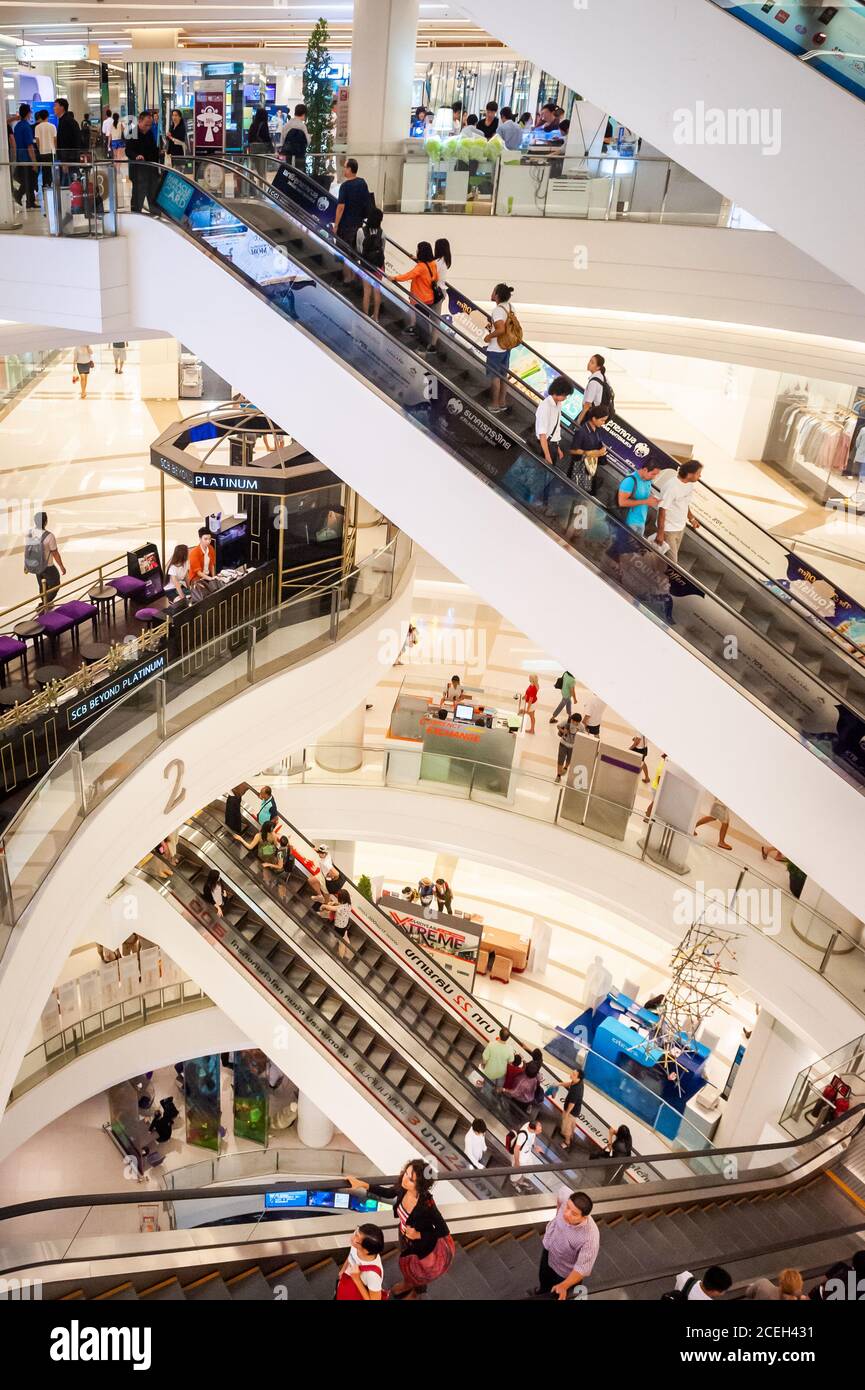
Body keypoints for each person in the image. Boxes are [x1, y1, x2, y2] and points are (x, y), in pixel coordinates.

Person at [349, 1159, 453, 1299]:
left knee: (418, 1270)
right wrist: (362, 1184)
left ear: (420, 1185)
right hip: (404, 1236)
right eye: (406, 1173)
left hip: (421, 1245)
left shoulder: (426, 1204)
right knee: (407, 1265)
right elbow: (389, 1193)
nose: (405, 1179)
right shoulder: (403, 1189)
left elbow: (443, 1230)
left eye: (411, 1179)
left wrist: (418, 1234)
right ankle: (408, 1283)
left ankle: (416, 1292)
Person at [534, 1189, 599, 1299]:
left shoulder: (590, 1239)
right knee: (543, 1277)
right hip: (550, 1249)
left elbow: (582, 1269)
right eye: (568, 1207)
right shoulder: (566, 1195)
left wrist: (564, 1285)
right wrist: (557, 1214)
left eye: (574, 1214)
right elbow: (561, 1194)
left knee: (555, 1295)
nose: (566, 1214)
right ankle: (541, 1292)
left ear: (584, 1217)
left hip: (563, 1272)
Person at [391, 240, 439, 352]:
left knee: (422, 324)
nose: (416, 251)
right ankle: (424, 343)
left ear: (421, 252)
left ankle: (422, 346)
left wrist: (395, 278)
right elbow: (434, 277)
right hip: (429, 298)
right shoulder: (432, 264)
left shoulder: (421, 267)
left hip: (420, 299)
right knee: (425, 321)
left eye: (418, 249)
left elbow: (408, 275)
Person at [655, 460, 702, 562]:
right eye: (698, 473)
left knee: (664, 560)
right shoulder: (672, 487)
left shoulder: (689, 485)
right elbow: (662, 509)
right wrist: (660, 533)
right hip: (668, 530)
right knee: (672, 562)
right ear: (690, 474)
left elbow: (684, 503)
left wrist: (692, 518)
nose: (700, 476)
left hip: (680, 528)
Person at [333, 158, 371, 273]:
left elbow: (341, 207)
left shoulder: (345, 186)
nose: (343, 169)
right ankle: (353, 279)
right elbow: (367, 202)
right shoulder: (362, 183)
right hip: (358, 224)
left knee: (344, 254)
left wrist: (336, 225)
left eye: (345, 167)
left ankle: (347, 280)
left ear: (349, 169)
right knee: (354, 254)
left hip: (345, 226)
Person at [24, 510, 66, 608]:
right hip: (48, 566)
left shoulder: (30, 533)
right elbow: (55, 553)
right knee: (56, 584)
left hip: (36, 565)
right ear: (46, 522)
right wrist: (61, 566)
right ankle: (44, 604)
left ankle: (44, 602)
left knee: (42, 585)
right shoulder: (49, 536)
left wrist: (26, 564)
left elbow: (27, 550)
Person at [485, 283, 515, 414]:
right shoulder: (509, 307)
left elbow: (501, 329)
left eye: (493, 291)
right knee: (503, 376)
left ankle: (495, 404)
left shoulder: (497, 310)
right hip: (506, 347)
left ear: (497, 295)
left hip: (496, 349)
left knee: (495, 377)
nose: (491, 293)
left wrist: (488, 336)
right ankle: (502, 403)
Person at [335, 1224, 385, 1300]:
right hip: (345, 1284)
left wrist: (356, 1279)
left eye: (356, 1236)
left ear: (366, 1250)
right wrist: (342, 1270)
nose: (352, 1237)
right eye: (355, 1232)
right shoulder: (356, 1246)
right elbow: (351, 1255)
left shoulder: (373, 1275)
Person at [534, 375, 573, 468]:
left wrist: (557, 447)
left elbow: (554, 427)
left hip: (552, 445)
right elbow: (542, 434)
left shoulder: (558, 405)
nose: (565, 398)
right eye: (565, 395)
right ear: (559, 391)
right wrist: (547, 456)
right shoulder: (545, 406)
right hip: (544, 447)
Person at [126, 111, 161, 215]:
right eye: (146, 125)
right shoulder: (132, 132)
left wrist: (160, 153)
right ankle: (136, 217)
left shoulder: (149, 133)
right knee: (138, 197)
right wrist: (136, 156)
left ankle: (156, 218)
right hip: (138, 173)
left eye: (150, 125)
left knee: (153, 196)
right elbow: (128, 150)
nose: (148, 127)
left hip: (151, 171)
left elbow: (153, 150)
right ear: (140, 121)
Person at [568, 406, 609, 492]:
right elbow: (572, 450)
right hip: (579, 468)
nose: (603, 423)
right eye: (602, 420)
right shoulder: (582, 431)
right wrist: (588, 453)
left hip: (590, 468)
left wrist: (600, 452)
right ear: (594, 418)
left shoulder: (597, 430)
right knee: (574, 491)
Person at [617, 460, 662, 537]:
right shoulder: (630, 480)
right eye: (653, 474)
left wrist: (653, 498)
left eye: (656, 475)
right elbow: (622, 502)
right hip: (629, 522)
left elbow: (644, 495)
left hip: (641, 522)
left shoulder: (648, 481)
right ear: (645, 470)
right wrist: (646, 501)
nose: (654, 477)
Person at [358, 205, 385, 322]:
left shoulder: (361, 231)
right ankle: (376, 316)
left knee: (367, 292)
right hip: (379, 266)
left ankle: (365, 316)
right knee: (377, 291)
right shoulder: (382, 233)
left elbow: (359, 248)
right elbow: (383, 249)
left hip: (365, 265)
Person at [577, 353, 614, 425]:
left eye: (592, 362)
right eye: (590, 361)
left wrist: (579, 421)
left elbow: (587, 405)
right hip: (597, 417)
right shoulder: (604, 377)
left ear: (598, 367)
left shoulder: (594, 382)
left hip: (589, 418)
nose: (589, 363)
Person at [12, 104, 37, 210]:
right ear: (28, 113)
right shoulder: (26, 127)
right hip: (27, 157)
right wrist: (34, 161)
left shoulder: (17, 126)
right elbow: (29, 146)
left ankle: (30, 201)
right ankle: (20, 195)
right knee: (29, 179)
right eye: (30, 112)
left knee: (27, 179)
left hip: (20, 156)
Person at [429, 236, 451, 351]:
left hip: (436, 292)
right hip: (442, 291)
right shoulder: (445, 261)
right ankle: (433, 342)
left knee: (434, 319)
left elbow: (430, 274)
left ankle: (433, 344)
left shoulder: (437, 262)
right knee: (435, 318)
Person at [510, 1117, 543, 1191]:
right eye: (539, 1130)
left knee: (529, 1170)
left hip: (528, 1153)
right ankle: (514, 1183)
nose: (541, 1131)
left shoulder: (529, 1125)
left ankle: (520, 1181)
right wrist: (517, 1162)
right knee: (516, 1172)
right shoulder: (523, 1135)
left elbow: (533, 1136)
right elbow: (516, 1149)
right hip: (520, 1156)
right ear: (533, 1129)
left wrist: (535, 1146)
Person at [320, 887, 352, 960]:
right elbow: (339, 905)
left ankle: (340, 958)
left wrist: (323, 906)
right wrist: (334, 903)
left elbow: (331, 908)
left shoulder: (340, 908)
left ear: (341, 898)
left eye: (338, 897)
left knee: (341, 944)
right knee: (345, 937)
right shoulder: (348, 904)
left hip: (340, 928)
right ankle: (348, 953)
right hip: (345, 924)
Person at [481, 1027, 515, 1093]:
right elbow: (510, 1061)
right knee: (499, 1089)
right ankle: (496, 1098)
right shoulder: (510, 1048)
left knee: (487, 1089)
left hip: (490, 1072)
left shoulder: (491, 1045)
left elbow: (485, 1059)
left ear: (499, 1035)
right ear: (508, 1038)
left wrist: (483, 1064)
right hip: (501, 1073)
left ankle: (486, 1100)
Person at [33, 110, 56, 205]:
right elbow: (55, 140)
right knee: (50, 173)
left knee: (43, 173)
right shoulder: (53, 126)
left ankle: (44, 192)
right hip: (51, 152)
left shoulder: (37, 127)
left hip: (41, 153)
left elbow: (37, 141)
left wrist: (39, 149)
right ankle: (51, 190)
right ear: (47, 116)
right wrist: (55, 150)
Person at [53, 98, 82, 170]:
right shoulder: (66, 120)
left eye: (55, 106)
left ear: (62, 107)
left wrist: (65, 162)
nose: (54, 108)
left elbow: (66, 142)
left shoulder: (65, 122)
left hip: (69, 159)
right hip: (71, 158)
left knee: (69, 179)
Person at [559, 1068, 584, 1148]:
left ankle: (567, 1142)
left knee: (566, 1127)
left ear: (578, 1077)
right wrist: (559, 1084)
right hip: (575, 1111)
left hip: (571, 1112)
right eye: (572, 1073)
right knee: (571, 1125)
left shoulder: (576, 1089)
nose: (571, 1075)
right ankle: (570, 1135)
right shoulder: (578, 1082)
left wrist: (566, 1113)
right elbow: (570, 1083)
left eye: (573, 1074)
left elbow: (572, 1104)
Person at [555, 711, 583, 783]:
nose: (574, 723)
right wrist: (563, 731)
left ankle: (566, 767)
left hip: (573, 747)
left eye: (576, 722)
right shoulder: (567, 721)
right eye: (573, 721)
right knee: (560, 759)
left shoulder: (581, 727)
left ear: (579, 722)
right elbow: (558, 726)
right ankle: (558, 775)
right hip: (563, 744)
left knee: (569, 759)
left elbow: (584, 736)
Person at [280, 103, 309, 168]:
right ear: (304, 114)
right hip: (300, 155)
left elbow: (282, 140)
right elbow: (307, 141)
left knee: (289, 172)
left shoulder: (287, 125)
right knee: (299, 174)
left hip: (288, 155)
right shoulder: (302, 126)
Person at [246, 106, 272, 175]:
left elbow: (249, 137)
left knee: (253, 167)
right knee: (261, 170)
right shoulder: (264, 124)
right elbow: (266, 137)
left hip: (253, 148)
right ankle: (261, 184)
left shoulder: (253, 124)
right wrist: (271, 147)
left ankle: (251, 182)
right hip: (261, 149)